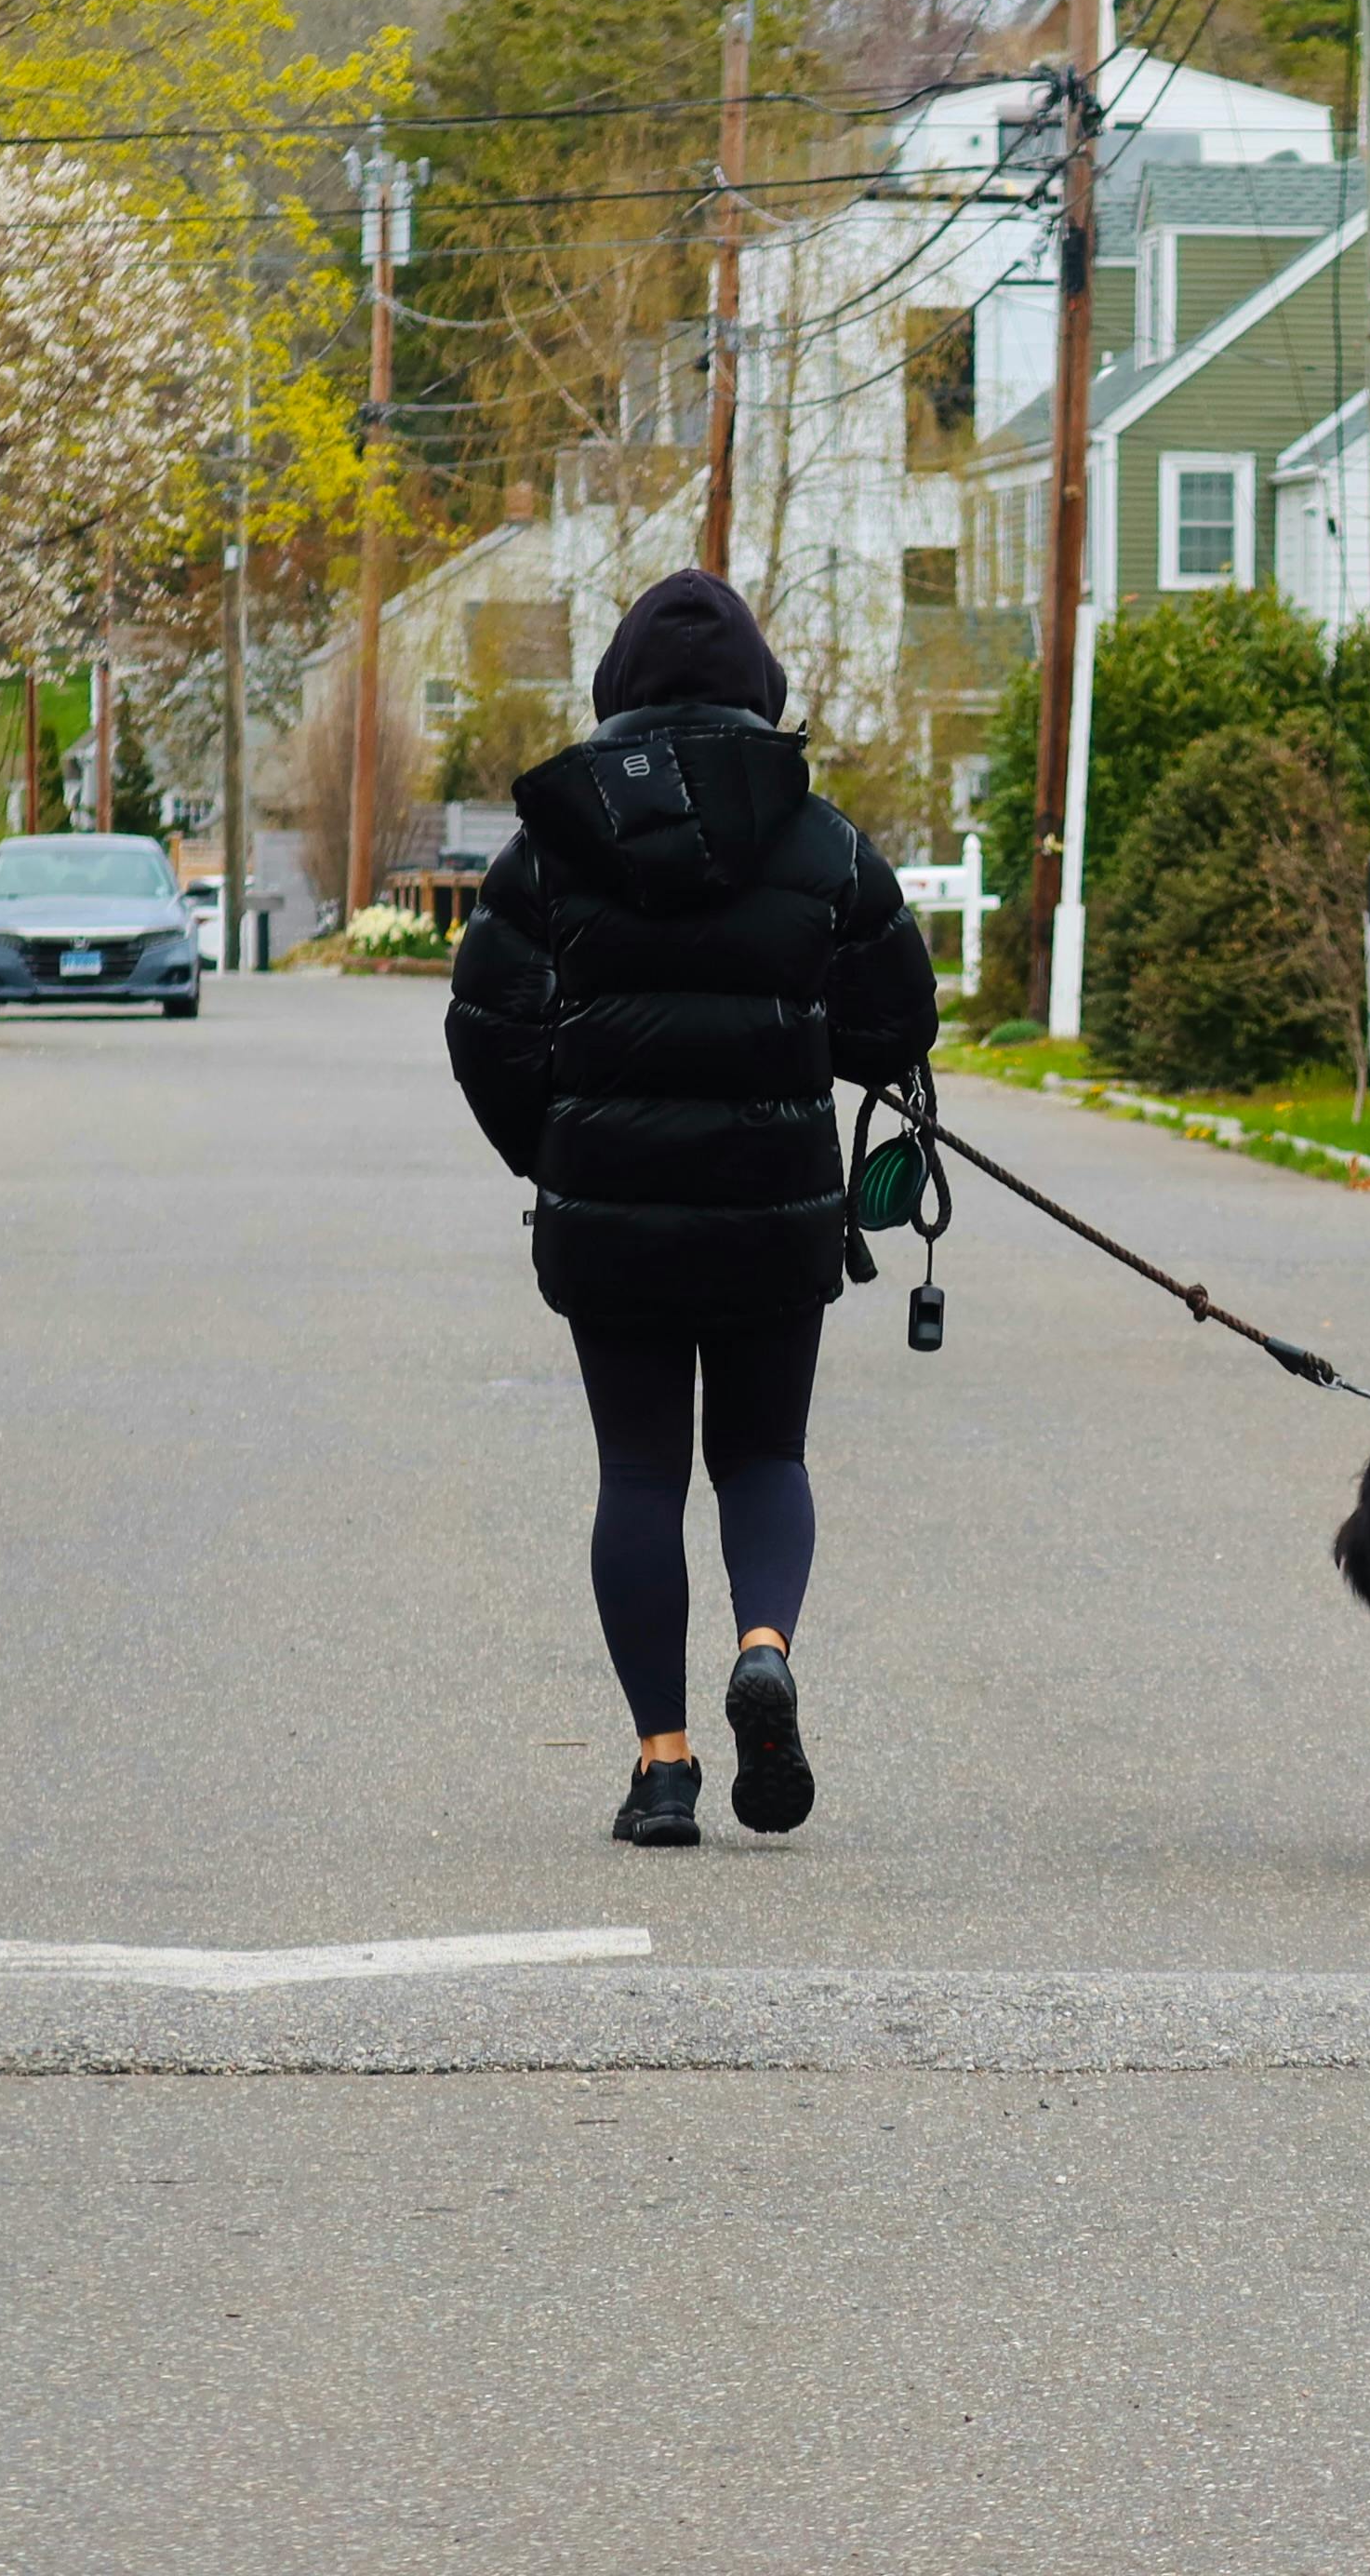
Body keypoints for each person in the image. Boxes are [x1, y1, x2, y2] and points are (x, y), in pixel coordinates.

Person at [446, 570, 940, 1847]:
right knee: (764, 1458)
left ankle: (663, 1768)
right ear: (757, 689)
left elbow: (487, 1026)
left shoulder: (551, 839)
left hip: (607, 1219)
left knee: (641, 1470)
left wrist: (552, 1152)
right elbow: (898, 1021)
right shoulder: (819, 839)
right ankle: (764, 1646)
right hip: (775, 1211)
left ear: (617, 689)